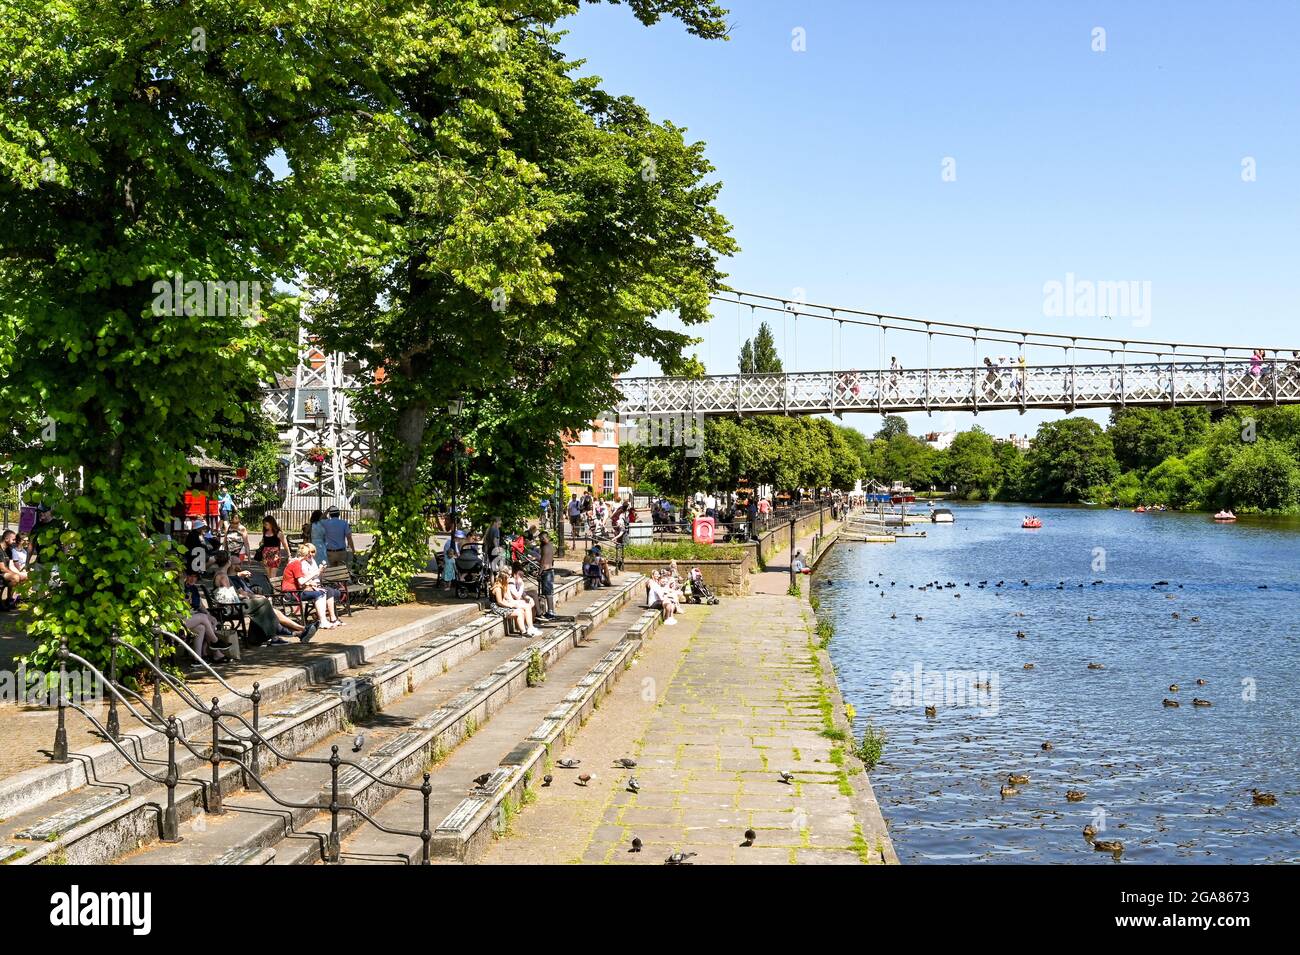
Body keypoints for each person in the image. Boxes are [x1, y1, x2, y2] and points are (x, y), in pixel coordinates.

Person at [212, 551, 313, 645]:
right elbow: (229, 596)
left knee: (263, 604)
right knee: (263, 603)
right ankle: (279, 635)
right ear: (228, 562)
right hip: (233, 607)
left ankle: (285, 634)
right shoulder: (222, 576)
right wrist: (249, 597)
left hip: (235, 605)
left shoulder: (221, 574)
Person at [282, 543, 343, 629]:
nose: (310, 555)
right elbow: (301, 581)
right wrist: (316, 572)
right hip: (292, 593)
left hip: (296, 591)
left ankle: (324, 620)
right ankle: (323, 621)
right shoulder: (296, 563)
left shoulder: (297, 562)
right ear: (305, 554)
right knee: (321, 593)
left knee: (322, 592)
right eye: (309, 553)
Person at [183, 570, 231, 663]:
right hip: (182, 617)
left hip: (193, 616)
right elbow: (181, 607)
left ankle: (198, 658)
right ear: (186, 576)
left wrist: (209, 615)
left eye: (195, 577)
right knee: (203, 618)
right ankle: (215, 643)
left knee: (202, 626)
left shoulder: (194, 588)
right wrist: (186, 601)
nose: (193, 579)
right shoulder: (182, 588)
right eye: (190, 576)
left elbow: (200, 606)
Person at [490, 568, 541, 636]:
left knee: (526, 606)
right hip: (497, 607)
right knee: (520, 612)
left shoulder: (504, 585)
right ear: (504, 578)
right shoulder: (498, 588)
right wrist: (512, 605)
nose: (510, 578)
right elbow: (499, 602)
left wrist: (516, 602)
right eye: (509, 577)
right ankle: (524, 631)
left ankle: (529, 628)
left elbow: (508, 598)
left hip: (504, 603)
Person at [537, 531, 556, 619]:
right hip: (550, 570)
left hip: (546, 571)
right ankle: (550, 611)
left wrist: (539, 573)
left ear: (546, 537)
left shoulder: (545, 547)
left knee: (548, 593)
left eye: (542, 538)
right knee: (549, 592)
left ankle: (550, 612)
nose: (541, 540)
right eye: (540, 538)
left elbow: (543, 561)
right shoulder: (551, 546)